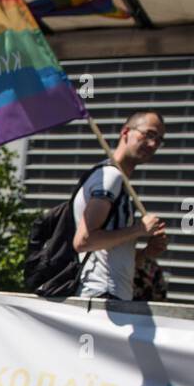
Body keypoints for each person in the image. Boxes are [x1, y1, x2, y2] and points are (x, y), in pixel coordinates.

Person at [73, 112, 168, 301]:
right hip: (100, 295)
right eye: (148, 134)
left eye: (159, 140)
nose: (153, 144)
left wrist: (147, 252)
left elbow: (114, 257)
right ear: (125, 132)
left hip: (112, 295)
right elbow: (84, 241)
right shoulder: (110, 177)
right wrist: (140, 229)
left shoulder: (119, 180)